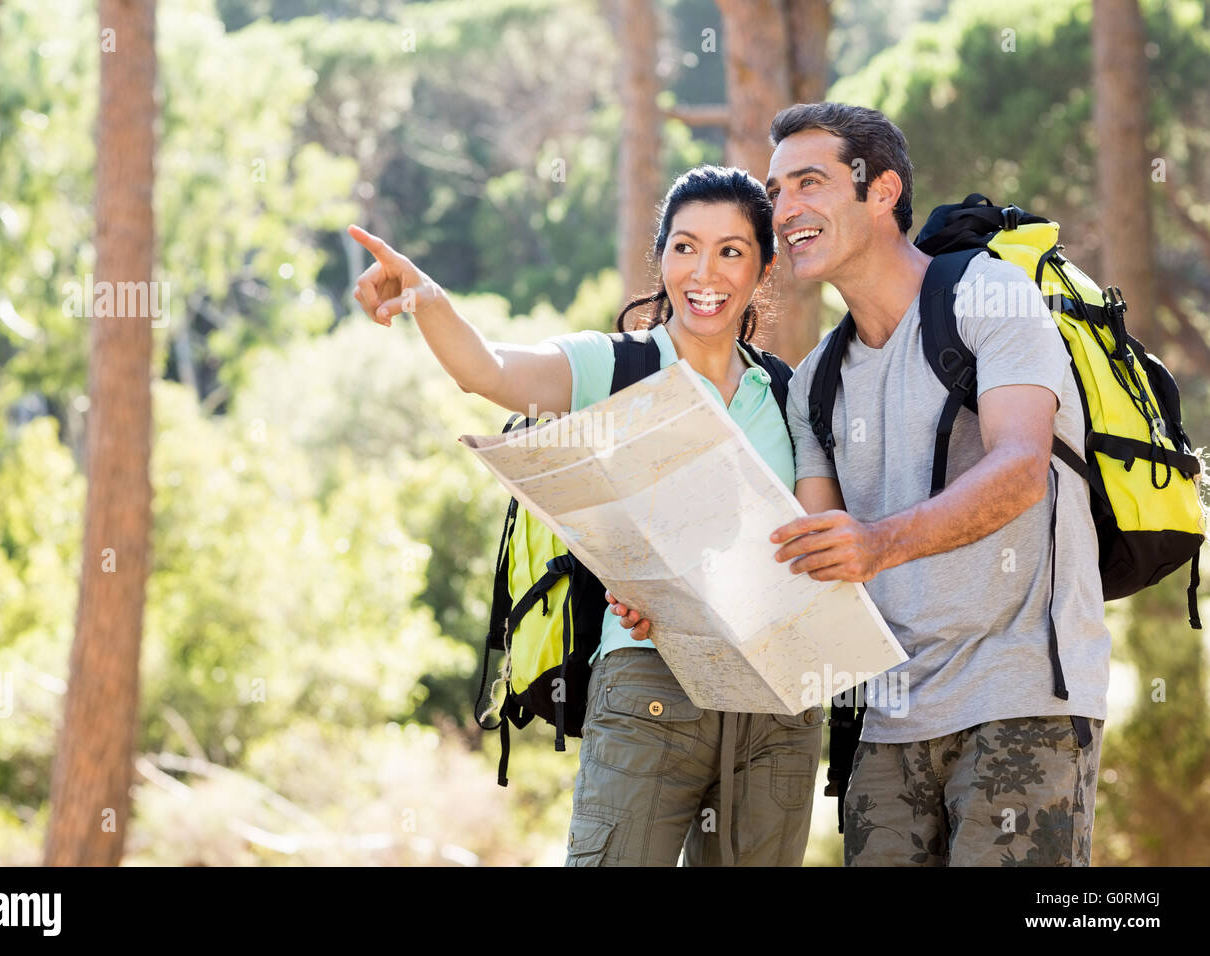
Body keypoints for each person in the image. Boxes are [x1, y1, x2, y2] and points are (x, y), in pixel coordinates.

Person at [614, 104, 1109, 866]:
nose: (785, 211)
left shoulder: (989, 295)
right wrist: (671, 598)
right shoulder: (815, 382)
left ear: (881, 190)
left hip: (1021, 700)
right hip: (885, 726)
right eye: (776, 192)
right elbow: (804, 565)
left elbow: (1021, 471)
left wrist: (877, 543)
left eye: (808, 183)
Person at [350, 165, 825, 866]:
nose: (706, 271)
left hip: (776, 704)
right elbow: (489, 369)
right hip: (648, 684)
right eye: (686, 247)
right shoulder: (616, 367)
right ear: (660, 258)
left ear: (763, 271)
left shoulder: (790, 392)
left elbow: (814, 548)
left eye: (731, 251)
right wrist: (426, 299)